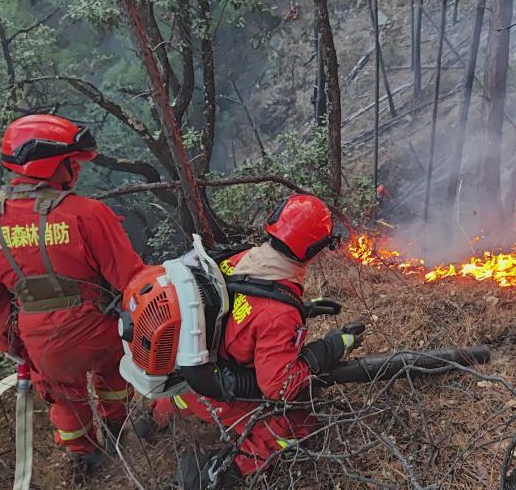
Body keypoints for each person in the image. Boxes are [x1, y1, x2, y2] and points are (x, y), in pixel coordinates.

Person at [124, 194, 358, 489]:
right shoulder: (279, 315)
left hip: (189, 380)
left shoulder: (240, 259)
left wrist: (303, 308)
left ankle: (155, 418)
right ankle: (219, 474)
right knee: (296, 420)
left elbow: (245, 310)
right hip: (217, 393)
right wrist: (332, 347)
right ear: (313, 249)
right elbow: (280, 387)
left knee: (187, 395)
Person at [0, 114, 145, 471]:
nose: (76, 172)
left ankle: (85, 457)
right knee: (113, 376)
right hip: (99, 330)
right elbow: (131, 278)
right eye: (72, 163)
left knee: (64, 400)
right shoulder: (88, 214)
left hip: (42, 342)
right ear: (50, 164)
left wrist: (13, 347)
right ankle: (116, 428)